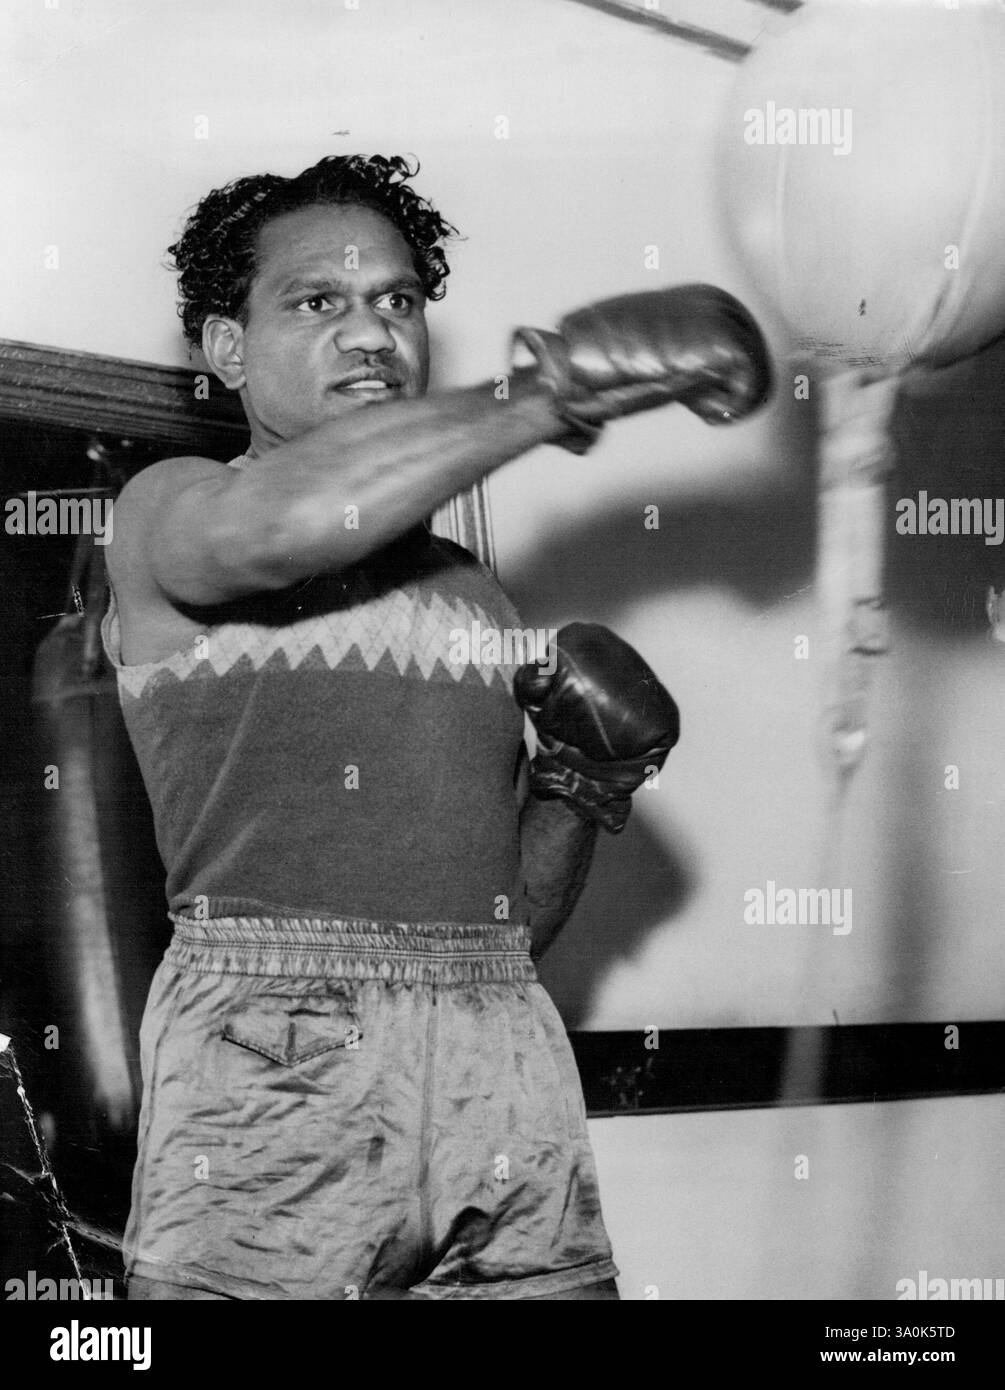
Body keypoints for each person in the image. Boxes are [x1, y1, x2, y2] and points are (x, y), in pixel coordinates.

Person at [103, 153, 771, 1300]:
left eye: (398, 301)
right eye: (319, 302)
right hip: (274, 1068)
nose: (372, 334)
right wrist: (556, 390)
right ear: (226, 347)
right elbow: (288, 524)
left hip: (497, 1052)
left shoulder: (474, 590)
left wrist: (579, 785)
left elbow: (503, 929)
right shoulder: (174, 505)